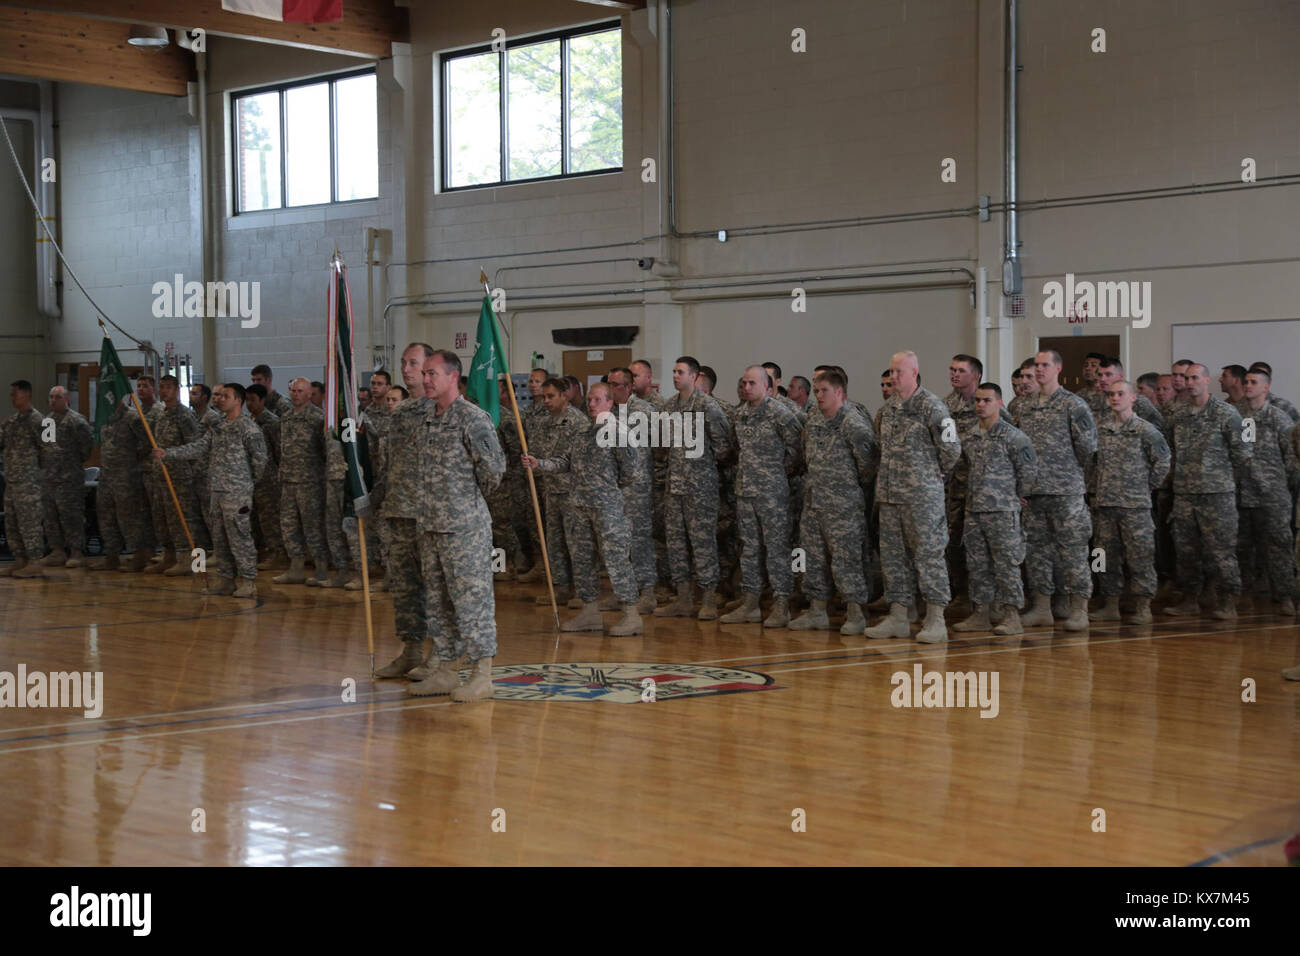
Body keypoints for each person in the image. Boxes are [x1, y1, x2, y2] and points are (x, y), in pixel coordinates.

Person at [404, 350, 506, 701]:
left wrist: (461, 502)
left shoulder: (472, 419)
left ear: (453, 377)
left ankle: (482, 674)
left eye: (433, 374)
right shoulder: (427, 418)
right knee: (438, 602)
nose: (426, 379)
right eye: (425, 373)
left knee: (472, 603)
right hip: (430, 525)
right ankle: (446, 670)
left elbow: (493, 473)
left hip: (464, 529)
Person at [523, 382, 643, 636]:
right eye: (589, 400)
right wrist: (540, 463)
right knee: (582, 560)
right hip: (579, 506)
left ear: (610, 403)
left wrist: (606, 489)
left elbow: (632, 472)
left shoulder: (619, 431)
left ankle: (631, 615)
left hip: (607, 508)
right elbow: (567, 462)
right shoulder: (583, 432)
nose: (590, 404)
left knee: (616, 561)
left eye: (597, 400)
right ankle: (590, 613)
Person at [867, 351, 960, 642]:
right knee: (893, 558)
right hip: (890, 495)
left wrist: (932, 475)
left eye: (899, 372)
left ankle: (935, 619)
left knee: (929, 556)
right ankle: (898, 616)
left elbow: (952, 449)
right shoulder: (888, 409)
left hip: (922, 497)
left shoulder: (932, 406)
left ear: (914, 372)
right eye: (891, 372)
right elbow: (880, 447)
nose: (893, 377)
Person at [156, 383, 268, 598]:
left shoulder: (248, 428)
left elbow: (260, 460)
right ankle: (226, 579)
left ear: (238, 400)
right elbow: (199, 447)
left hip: (237, 493)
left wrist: (246, 482)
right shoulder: (219, 426)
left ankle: (247, 580)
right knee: (220, 538)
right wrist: (167, 453)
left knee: (239, 537)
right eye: (221, 395)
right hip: (216, 491)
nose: (222, 399)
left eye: (227, 396)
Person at [1014, 350, 1097, 631]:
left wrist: (1069, 474)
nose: (1039, 370)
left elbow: (1087, 449)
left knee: (1073, 552)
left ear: (1058, 369)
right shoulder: (1023, 406)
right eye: (1036, 365)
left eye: (1045, 365)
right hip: (1033, 492)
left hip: (1066, 492)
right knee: (1037, 553)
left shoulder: (1074, 405)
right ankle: (1041, 608)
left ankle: (1078, 609)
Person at [1163, 364, 1253, 618]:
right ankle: (1190, 599)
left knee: (1222, 551)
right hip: (1184, 494)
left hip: (1217, 495)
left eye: (1194, 378)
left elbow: (1243, 455)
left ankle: (1227, 601)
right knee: (1186, 551)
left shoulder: (1227, 414)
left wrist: (1222, 482)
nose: (1189, 383)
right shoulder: (1178, 414)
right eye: (1185, 378)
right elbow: (1171, 452)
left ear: (1205, 380)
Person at [790, 369, 875, 633]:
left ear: (839, 392)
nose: (818, 395)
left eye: (824, 390)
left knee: (846, 559)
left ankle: (855, 612)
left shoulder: (852, 422)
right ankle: (817, 610)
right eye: (816, 391)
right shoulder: (813, 419)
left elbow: (869, 463)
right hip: (814, 501)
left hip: (843, 504)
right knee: (810, 556)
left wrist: (846, 488)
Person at [722, 365, 803, 627]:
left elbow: (796, 450)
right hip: (745, 491)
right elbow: (736, 449)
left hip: (772, 493)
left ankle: (781, 604)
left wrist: (780, 472)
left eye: (752, 384)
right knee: (749, 549)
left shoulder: (781, 414)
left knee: (777, 550)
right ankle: (750, 604)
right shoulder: (740, 415)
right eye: (744, 383)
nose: (746, 388)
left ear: (767, 387)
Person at [953, 383, 1036, 635]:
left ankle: (1011, 615)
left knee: (1007, 564)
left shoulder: (1014, 437)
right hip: (975, 509)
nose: (980, 405)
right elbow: (962, 469)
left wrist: (1016, 496)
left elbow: (1028, 473)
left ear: (999, 403)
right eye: (977, 400)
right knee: (977, 565)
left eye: (987, 400)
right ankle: (981, 614)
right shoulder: (967, 435)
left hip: (1002, 511)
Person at [654, 356, 733, 620]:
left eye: (680, 372)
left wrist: (702, 468)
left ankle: (708, 598)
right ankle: (684, 598)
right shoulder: (668, 406)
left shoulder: (707, 406)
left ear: (694, 376)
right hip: (674, 486)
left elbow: (723, 446)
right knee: (676, 543)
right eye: (674, 371)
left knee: (703, 543)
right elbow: (663, 445)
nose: (675, 376)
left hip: (701, 488)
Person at [1088, 380, 1171, 624]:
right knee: (1102, 555)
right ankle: (1110, 603)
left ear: (1133, 398)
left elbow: (1163, 461)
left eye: (1121, 394)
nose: (1115, 398)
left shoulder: (1146, 430)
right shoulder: (1100, 429)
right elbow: (1090, 463)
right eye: (1111, 394)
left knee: (1140, 556)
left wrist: (1146, 487)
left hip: (1135, 507)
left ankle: (1143, 605)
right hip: (1105, 506)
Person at [1235, 368, 1297, 614]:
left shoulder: (1278, 417)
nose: (1248, 386)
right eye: (1246, 382)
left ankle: (1286, 598)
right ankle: (1245, 596)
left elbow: (1291, 459)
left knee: (1278, 548)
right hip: (1242, 494)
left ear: (1266, 387)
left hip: (1272, 496)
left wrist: (1281, 487)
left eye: (1253, 382)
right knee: (1243, 550)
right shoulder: (1236, 416)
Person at [132, 374, 208, 576]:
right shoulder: (161, 415)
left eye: (168, 387)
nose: (164, 391)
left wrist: (189, 473)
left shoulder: (184, 415)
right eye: (162, 387)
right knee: (163, 520)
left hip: (181, 477)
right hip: (161, 477)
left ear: (176, 390)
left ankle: (191, 561)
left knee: (185, 519)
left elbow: (196, 446)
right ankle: (170, 556)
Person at [607, 366, 658, 610]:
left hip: (638, 487)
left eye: (616, 384)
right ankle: (625, 591)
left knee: (639, 540)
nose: (611, 389)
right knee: (618, 541)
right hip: (614, 488)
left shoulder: (645, 411)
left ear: (628, 387)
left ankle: (647, 592)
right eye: (609, 383)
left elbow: (663, 450)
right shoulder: (609, 413)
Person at [86, 393, 153, 573]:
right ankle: (111, 556)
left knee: (130, 517)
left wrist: (131, 459)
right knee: (106, 517)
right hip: (107, 475)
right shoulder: (105, 419)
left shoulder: (133, 417)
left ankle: (139, 555)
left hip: (127, 476)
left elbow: (147, 443)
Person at [273, 377, 329, 585]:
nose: (295, 394)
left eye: (300, 391)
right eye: (293, 391)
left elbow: (326, 452)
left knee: (312, 526)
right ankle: (295, 567)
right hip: (288, 480)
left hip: (310, 481)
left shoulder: (318, 418)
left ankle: (321, 568)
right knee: (288, 525)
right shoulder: (285, 418)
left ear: (309, 394)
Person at [39, 385, 93, 568]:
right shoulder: (48, 421)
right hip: (49, 478)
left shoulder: (76, 421)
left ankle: (76, 551)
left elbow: (86, 450)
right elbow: (45, 449)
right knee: (50, 517)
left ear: (67, 400)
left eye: (57, 397)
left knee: (71, 516)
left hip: (69, 478)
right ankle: (57, 551)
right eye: (51, 397)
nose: (53, 400)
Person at [0, 380, 48, 578]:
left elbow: (51, 451)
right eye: (11, 394)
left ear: (27, 395)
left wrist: (37, 475)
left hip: (30, 483)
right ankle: (20, 559)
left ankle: (35, 561)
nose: (12, 398)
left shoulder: (43, 422)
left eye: (15, 394)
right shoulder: (10, 422)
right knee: (12, 523)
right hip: (11, 482)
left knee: (30, 523)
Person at [245, 384, 286, 569]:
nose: (249, 404)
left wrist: (278, 475)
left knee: (270, 518)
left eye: (253, 400)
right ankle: (261, 551)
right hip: (252, 478)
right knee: (255, 519)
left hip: (269, 479)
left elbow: (279, 451)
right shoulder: (248, 421)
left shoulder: (271, 422)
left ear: (262, 400)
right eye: (247, 400)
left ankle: (278, 553)